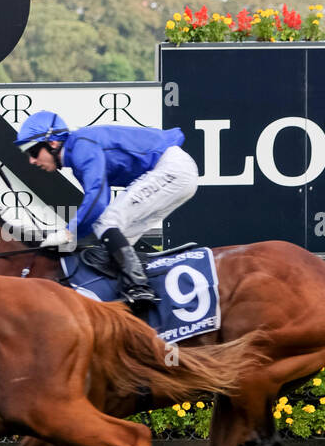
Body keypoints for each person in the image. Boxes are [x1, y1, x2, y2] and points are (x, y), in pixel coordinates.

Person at [14, 110, 199, 308]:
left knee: (108, 222)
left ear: (52, 143)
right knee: (118, 241)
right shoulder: (78, 154)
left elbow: (98, 201)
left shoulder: (80, 147)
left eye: (33, 152)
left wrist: (68, 233)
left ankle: (139, 287)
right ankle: (133, 291)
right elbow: (95, 205)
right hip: (177, 174)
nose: (31, 161)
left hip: (171, 169)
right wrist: (72, 237)